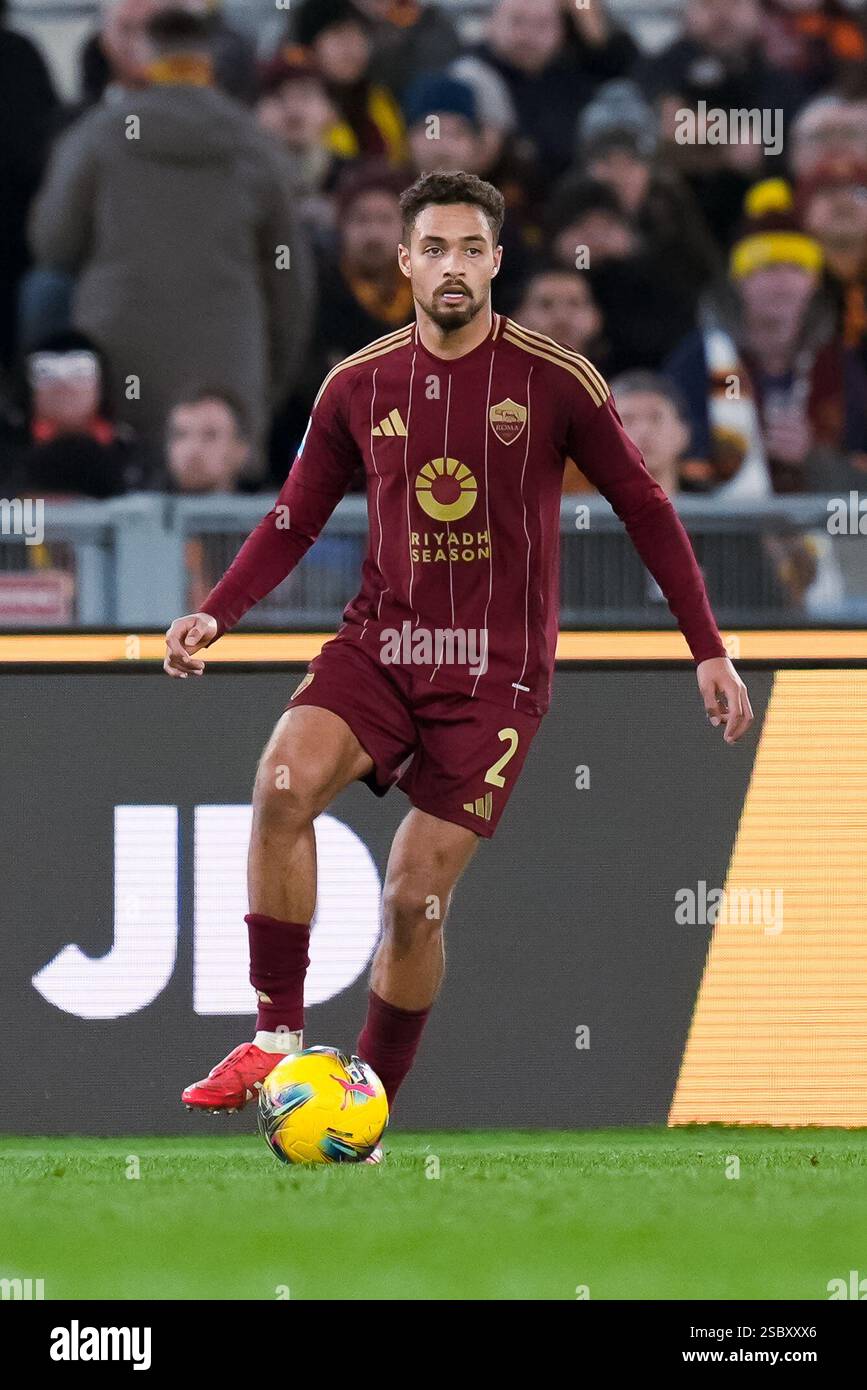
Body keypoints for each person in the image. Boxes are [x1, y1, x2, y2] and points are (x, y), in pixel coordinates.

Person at [164, 170, 753, 1153]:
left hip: (497, 676)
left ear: (494, 260)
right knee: (279, 786)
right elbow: (295, 516)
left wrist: (709, 649)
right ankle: (277, 1034)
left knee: (410, 898)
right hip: (381, 646)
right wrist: (217, 612)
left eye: (469, 248)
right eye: (431, 248)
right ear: (404, 261)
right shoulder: (356, 384)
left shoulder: (554, 379)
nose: (450, 266)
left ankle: (370, 1104)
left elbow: (646, 508)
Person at [29, 8, 315, 464]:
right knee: (225, 531)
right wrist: (259, 390)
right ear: (211, 62)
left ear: (148, 56)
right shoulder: (258, 148)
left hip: (119, 372)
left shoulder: (98, 138)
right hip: (229, 384)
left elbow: (53, 248)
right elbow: (291, 287)